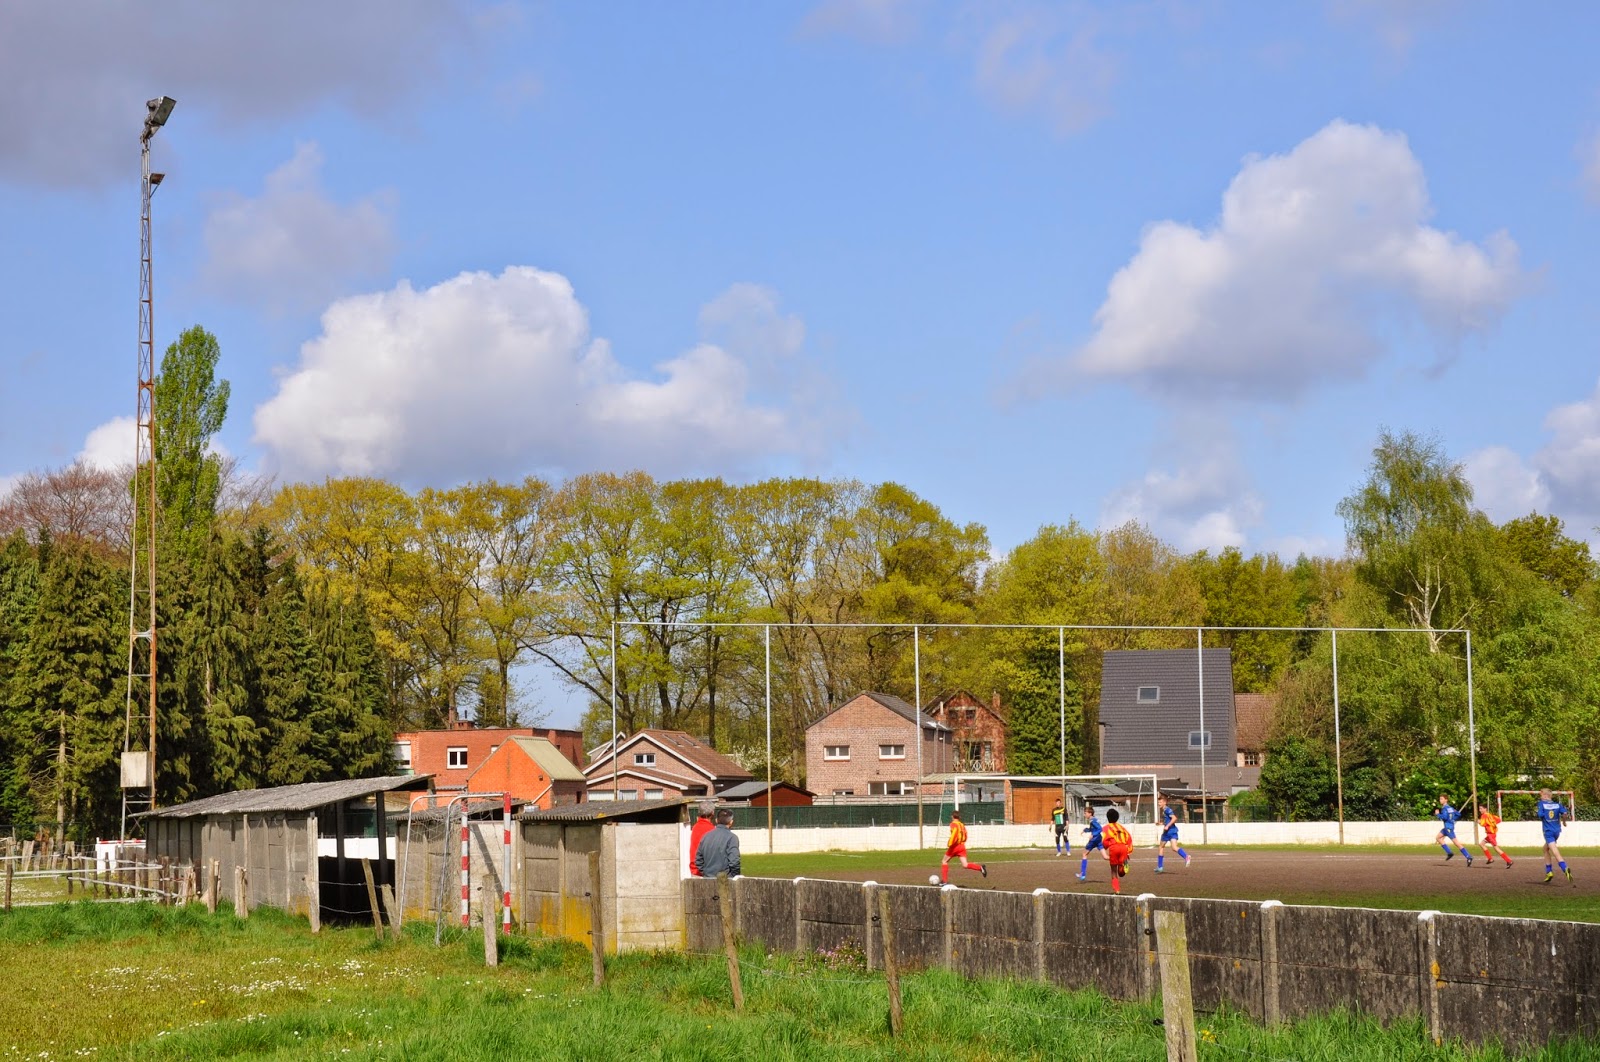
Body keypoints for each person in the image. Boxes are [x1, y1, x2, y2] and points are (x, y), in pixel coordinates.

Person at [1536, 788, 1573, 884]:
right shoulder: (1557, 804)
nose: (1540, 797)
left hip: (1548, 831)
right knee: (1545, 849)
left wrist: (1544, 814)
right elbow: (1564, 813)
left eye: (1541, 795)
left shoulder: (1541, 804)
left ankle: (1565, 868)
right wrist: (1564, 822)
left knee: (1555, 851)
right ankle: (1549, 872)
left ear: (1545, 795)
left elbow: (1540, 814)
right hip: (1557, 831)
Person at [940, 808, 987, 883]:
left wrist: (950, 843)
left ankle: (944, 882)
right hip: (962, 846)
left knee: (944, 861)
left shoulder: (953, 824)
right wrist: (962, 842)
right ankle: (980, 868)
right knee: (965, 864)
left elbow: (954, 833)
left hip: (955, 846)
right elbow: (965, 834)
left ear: (952, 816)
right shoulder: (962, 825)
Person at [694, 808, 741, 878]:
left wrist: (705, 873)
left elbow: (698, 860)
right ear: (731, 822)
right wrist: (733, 876)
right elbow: (734, 862)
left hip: (707, 880)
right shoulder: (732, 838)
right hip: (724, 881)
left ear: (716, 820)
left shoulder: (706, 836)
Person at [1101, 808, 1133, 894]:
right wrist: (1128, 850)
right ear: (1117, 817)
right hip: (1123, 847)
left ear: (1107, 818)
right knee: (1121, 873)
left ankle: (1117, 889)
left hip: (1114, 848)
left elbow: (1104, 840)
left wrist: (1104, 847)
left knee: (1113, 871)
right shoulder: (1122, 827)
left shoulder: (1106, 828)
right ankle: (1123, 866)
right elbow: (1129, 838)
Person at [1435, 794, 1473, 865]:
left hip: (1448, 828)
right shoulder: (1451, 808)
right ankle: (1449, 853)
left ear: (1446, 800)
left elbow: (1445, 817)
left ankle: (1468, 856)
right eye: (1440, 799)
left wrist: (1438, 814)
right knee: (1438, 838)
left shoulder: (1445, 808)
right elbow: (1458, 814)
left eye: (1442, 799)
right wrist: (1452, 819)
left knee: (1457, 843)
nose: (1440, 800)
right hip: (1447, 828)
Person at [1155, 795, 1190, 873]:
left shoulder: (1167, 809)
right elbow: (1168, 820)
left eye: (1160, 802)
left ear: (1164, 802)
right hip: (1171, 831)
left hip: (1169, 831)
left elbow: (1174, 818)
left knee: (1161, 847)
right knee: (1173, 848)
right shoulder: (1164, 810)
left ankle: (1160, 867)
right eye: (1158, 802)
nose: (1159, 804)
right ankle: (1186, 857)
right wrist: (1161, 823)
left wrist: (1167, 826)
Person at [1476, 803, 1512, 868]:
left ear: (1485, 809)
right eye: (1479, 808)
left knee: (1496, 848)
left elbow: (1482, 824)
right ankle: (1490, 859)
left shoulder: (1484, 815)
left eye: (1481, 808)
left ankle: (1508, 861)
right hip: (1492, 834)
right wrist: (1492, 824)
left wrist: (1479, 822)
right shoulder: (1490, 815)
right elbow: (1499, 820)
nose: (1480, 810)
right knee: (1481, 844)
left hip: (1490, 834)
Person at [1076, 806, 1105, 882]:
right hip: (1098, 839)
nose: (1084, 815)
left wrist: (1093, 834)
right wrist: (1086, 830)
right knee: (1105, 856)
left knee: (1084, 854)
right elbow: (1093, 829)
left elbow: (1100, 829)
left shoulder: (1092, 821)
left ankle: (1083, 874)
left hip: (1094, 840)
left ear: (1090, 813)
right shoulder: (1093, 820)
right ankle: (1120, 860)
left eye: (1085, 813)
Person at [687, 801, 716, 876]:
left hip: (695, 869)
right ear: (712, 813)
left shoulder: (695, 827)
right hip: (706, 871)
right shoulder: (711, 829)